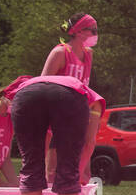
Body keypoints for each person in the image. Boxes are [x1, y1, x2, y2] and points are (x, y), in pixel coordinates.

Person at [10, 73, 106, 195]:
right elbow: (89, 142)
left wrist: (44, 166)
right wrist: (79, 171)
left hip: (26, 95)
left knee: (30, 165)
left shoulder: (38, 84)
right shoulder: (93, 98)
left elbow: (44, 139)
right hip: (67, 98)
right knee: (68, 168)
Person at [41, 14, 97, 184]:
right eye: (92, 30)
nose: (96, 34)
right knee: (52, 171)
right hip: (57, 118)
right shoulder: (60, 52)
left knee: (83, 172)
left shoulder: (88, 54)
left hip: (78, 116)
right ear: (79, 31)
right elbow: (41, 84)